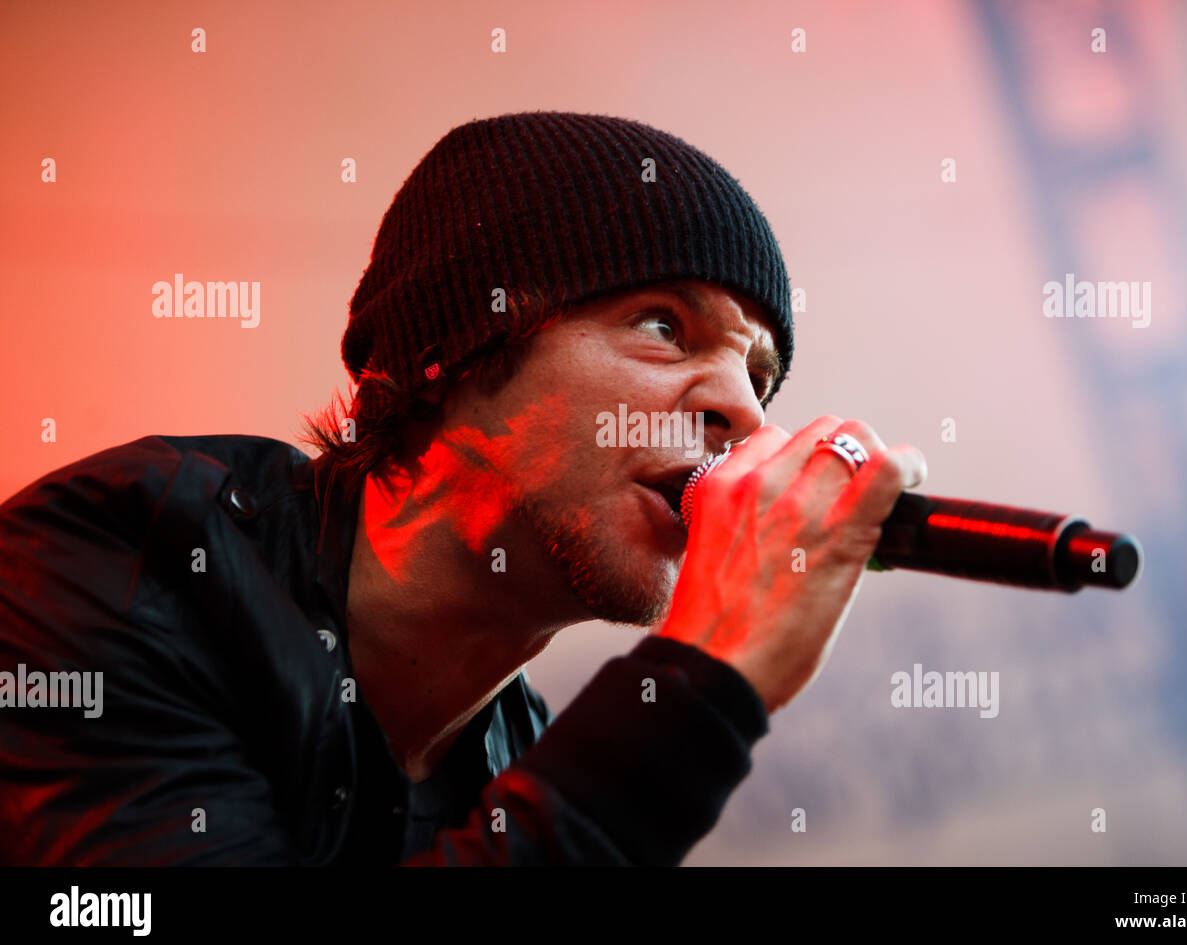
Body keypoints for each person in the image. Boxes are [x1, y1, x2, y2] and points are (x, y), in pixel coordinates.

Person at [0, 111, 925, 865]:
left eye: (761, 378)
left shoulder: (523, 760)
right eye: (663, 326)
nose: (747, 416)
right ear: (451, 355)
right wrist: (706, 675)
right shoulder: (122, 563)